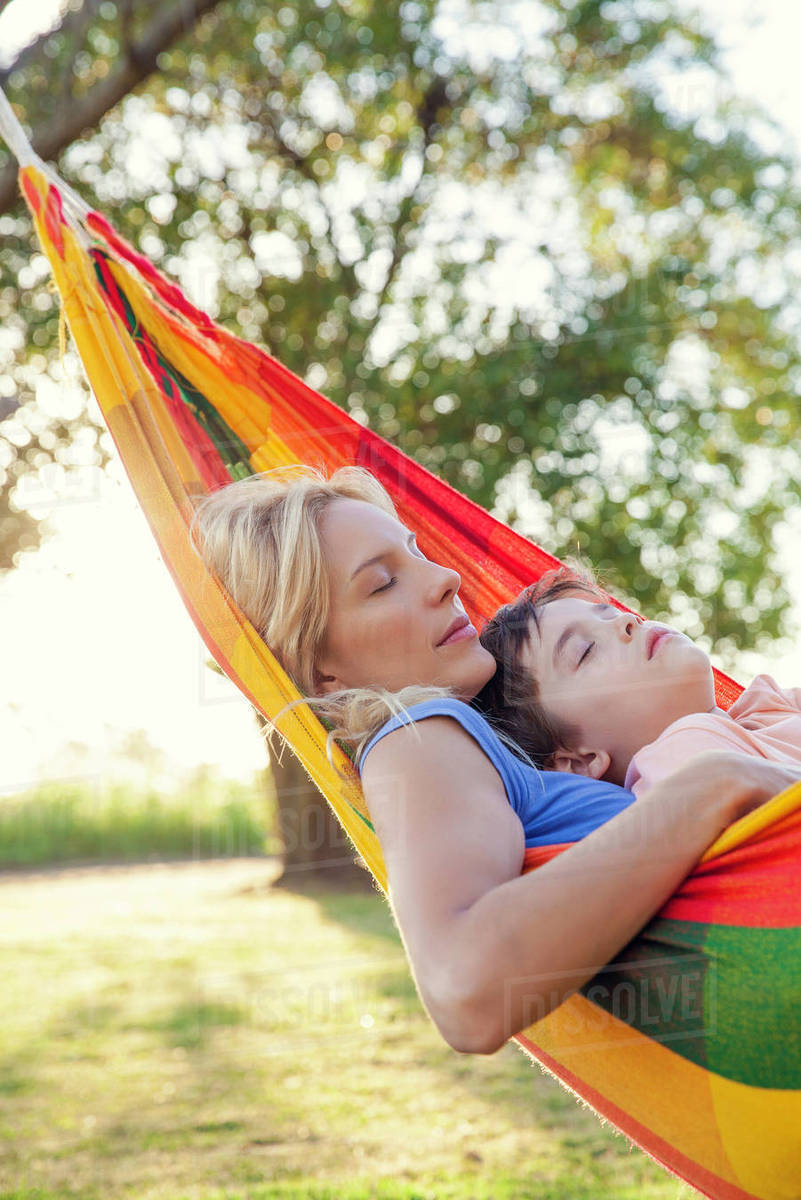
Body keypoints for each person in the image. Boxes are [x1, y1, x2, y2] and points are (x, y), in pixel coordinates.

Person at [191, 465, 801, 1055]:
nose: (446, 578)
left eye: (418, 554)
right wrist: (717, 783)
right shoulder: (415, 735)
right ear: (323, 672)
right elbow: (466, 991)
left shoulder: (492, 751)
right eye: (382, 583)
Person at [477, 566, 801, 800]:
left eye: (610, 613)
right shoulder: (679, 755)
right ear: (581, 760)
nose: (627, 620)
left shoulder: (765, 702)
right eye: (585, 650)